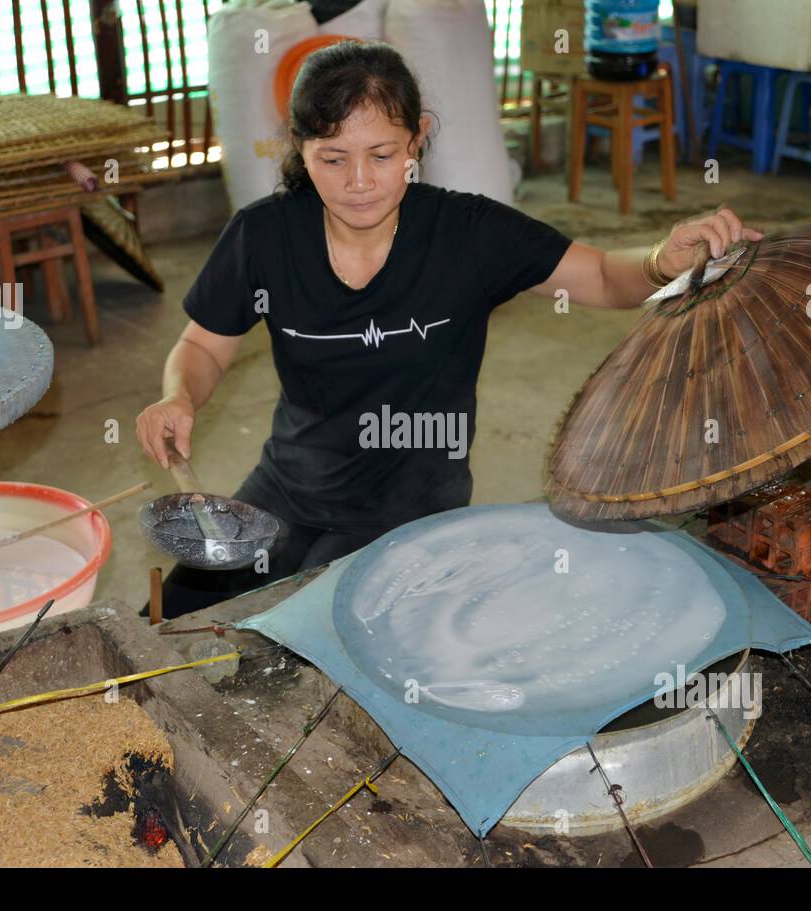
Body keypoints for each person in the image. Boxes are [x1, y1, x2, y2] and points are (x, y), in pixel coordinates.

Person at [136, 40, 763, 618]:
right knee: (171, 624)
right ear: (298, 148)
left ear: (417, 141)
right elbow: (202, 346)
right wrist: (178, 395)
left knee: (313, 636)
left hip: (410, 510)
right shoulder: (263, 236)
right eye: (333, 158)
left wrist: (662, 260)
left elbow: (598, 275)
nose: (359, 182)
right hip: (288, 489)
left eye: (382, 155)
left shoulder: (467, 234)